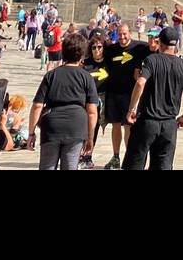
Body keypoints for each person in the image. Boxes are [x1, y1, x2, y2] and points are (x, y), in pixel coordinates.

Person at [123, 26, 183, 170]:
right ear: (176, 44)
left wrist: (131, 110)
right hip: (169, 125)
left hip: (147, 121)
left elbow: (140, 83)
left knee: (134, 164)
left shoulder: (151, 60)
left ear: (160, 42)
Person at [29, 32, 98, 169]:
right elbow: (92, 112)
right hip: (76, 126)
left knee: (47, 166)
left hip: (52, 126)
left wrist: (31, 133)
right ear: (82, 54)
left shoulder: (51, 75)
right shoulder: (86, 77)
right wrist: (90, 137)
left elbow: (37, 106)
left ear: (64, 51)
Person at [101, 23, 146, 169]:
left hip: (129, 94)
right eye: (120, 34)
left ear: (130, 34)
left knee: (128, 126)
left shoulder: (138, 48)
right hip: (113, 92)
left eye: (125, 34)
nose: (122, 37)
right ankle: (115, 157)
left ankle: (129, 158)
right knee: (115, 125)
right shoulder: (111, 49)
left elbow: (154, 49)